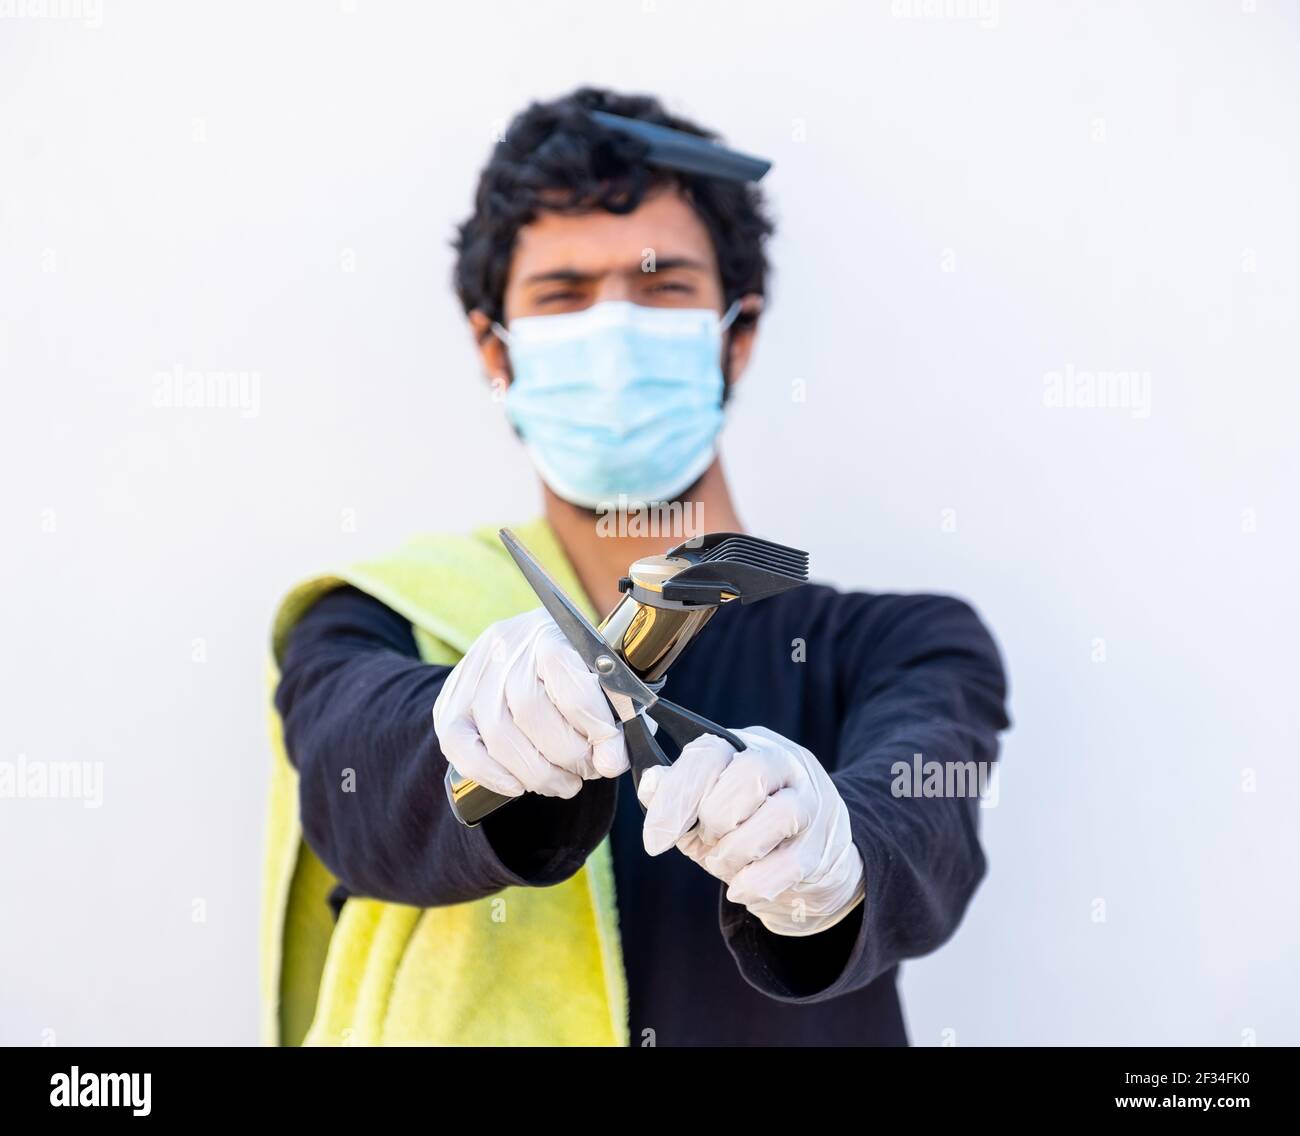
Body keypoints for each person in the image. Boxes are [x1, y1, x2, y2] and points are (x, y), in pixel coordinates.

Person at [261, 86, 1010, 1047]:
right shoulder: (380, 617)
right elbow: (350, 787)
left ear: (736, 338)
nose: (613, 333)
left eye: (661, 290)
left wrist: (831, 861)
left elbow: (926, 824)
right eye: (564, 295)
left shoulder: (903, 642)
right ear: (496, 349)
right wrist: (468, 739)